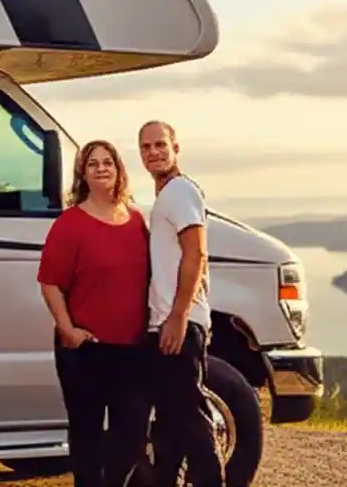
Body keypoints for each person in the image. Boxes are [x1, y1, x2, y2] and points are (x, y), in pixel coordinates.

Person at [37, 139, 152, 487]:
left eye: (108, 162)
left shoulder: (136, 221)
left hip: (132, 349)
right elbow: (50, 283)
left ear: (119, 170)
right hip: (85, 350)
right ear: (82, 175)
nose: (102, 168)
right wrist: (68, 330)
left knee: (132, 437)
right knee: (86, 436)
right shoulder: (70, 224)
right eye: (93, 164)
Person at [137, 119, 224, 487]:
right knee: (171, 427)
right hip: (166, 325)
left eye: (161, 145)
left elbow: (196, 253)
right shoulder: (166, 196)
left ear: (176, 148)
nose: (154, 152)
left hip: (179, 326)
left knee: (191, 420)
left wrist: (178, 317)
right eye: (146, 147)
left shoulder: (180, 193)